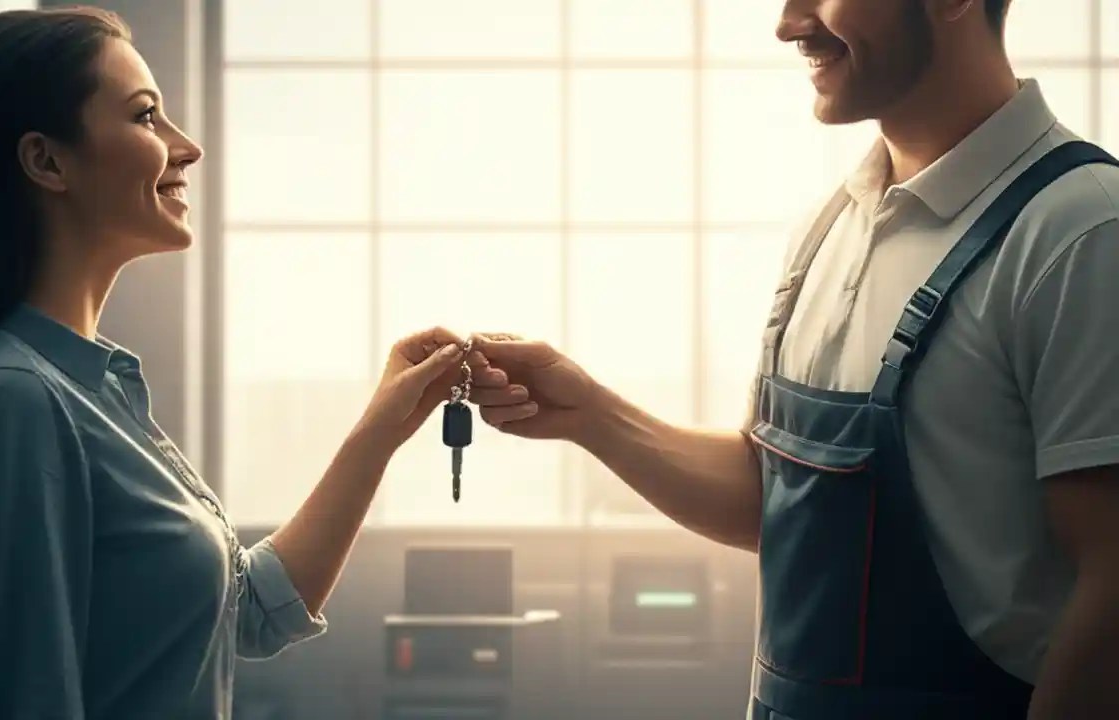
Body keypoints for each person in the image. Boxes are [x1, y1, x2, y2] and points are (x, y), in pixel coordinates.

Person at [0, 8, 527, 720]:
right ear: (47, 161)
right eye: (146, 118)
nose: (187, 147)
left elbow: (250, 612)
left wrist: (384, 425)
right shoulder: (10, 402)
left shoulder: (86, 388)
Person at [468, 0, 1119, 718]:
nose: (788, 23)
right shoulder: (828, 227)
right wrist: (589, 413)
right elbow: (776, 499)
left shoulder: (1082, 233)